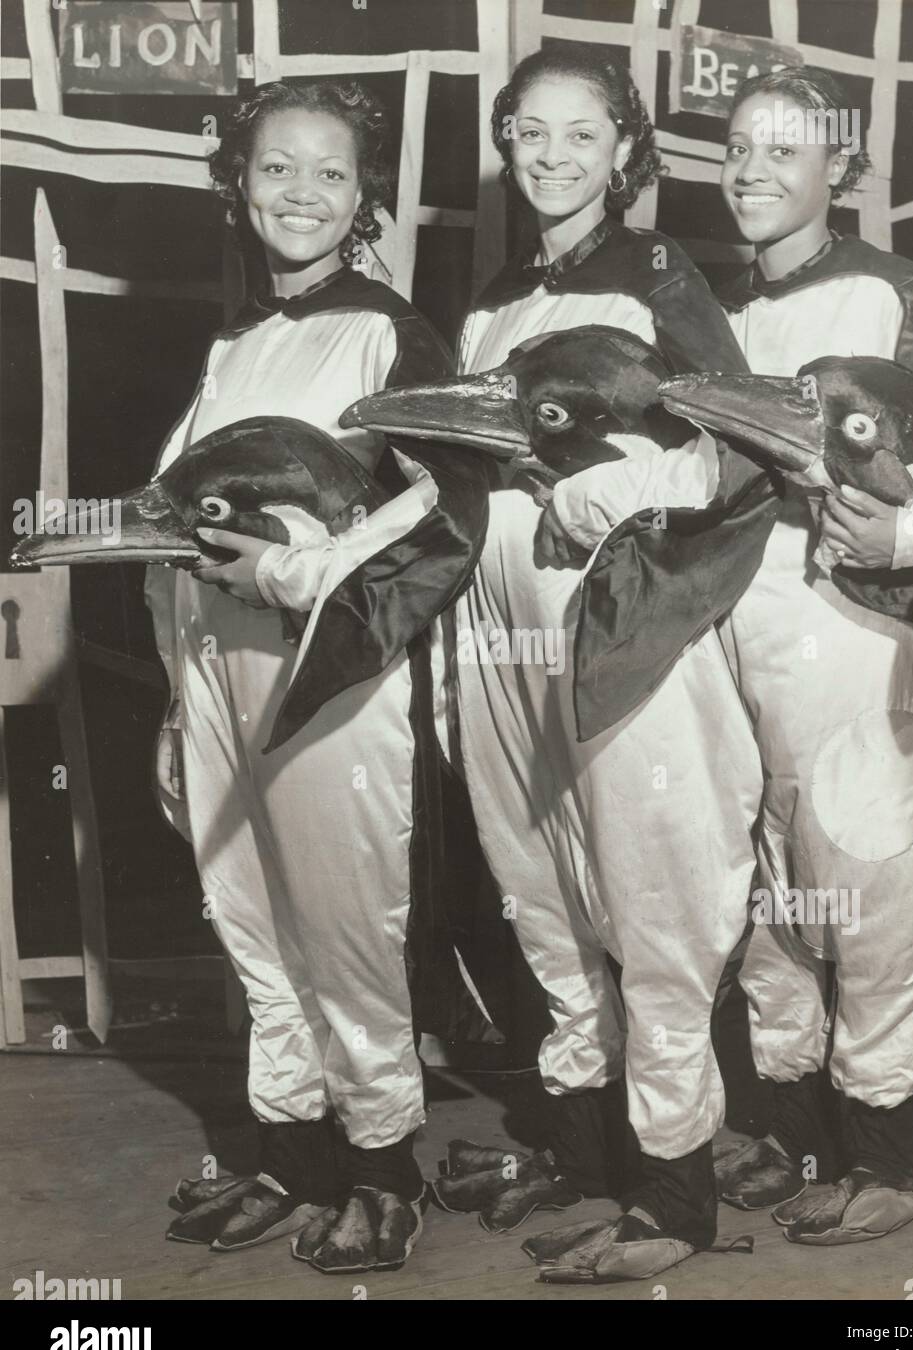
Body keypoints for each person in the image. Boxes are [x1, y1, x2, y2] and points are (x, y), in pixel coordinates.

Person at [439, 48, 764, 1276]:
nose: (554, 156)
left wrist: (616, 488)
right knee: (540, 891)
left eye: (582, 135)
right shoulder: (491, 301)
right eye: (531, 131)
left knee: (651, 894)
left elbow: (740, 449)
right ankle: (583, 1146)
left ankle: (676, 1195)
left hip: (622, 623)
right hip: (497, 634)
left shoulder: (662, 278)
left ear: (627, 150)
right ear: (508, 141)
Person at [146, 78, 464, 1273]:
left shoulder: (387, 330)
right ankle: (292, 1153)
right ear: (238, 180)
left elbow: (442, 513)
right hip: (217, 671)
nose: (301, 193)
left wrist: (294, 572)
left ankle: (385, 1169)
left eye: (331, 173)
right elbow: (181, 517)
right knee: (252, 918)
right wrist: (183, 696)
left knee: (342, 927)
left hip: (329, 670)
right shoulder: (234, 341)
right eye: (277, 167)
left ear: (365, 194)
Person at [706, 67, 913, 1244]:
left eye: (785, 150)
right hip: (739, 653)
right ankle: (794, 1135)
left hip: (861, 649)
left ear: (840, 168)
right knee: (774, 904)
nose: (752, 171)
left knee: (875, 896)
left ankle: (887, 1153)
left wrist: (908, 529)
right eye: (737, 146)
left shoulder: (895, 295)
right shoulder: (720, 317)